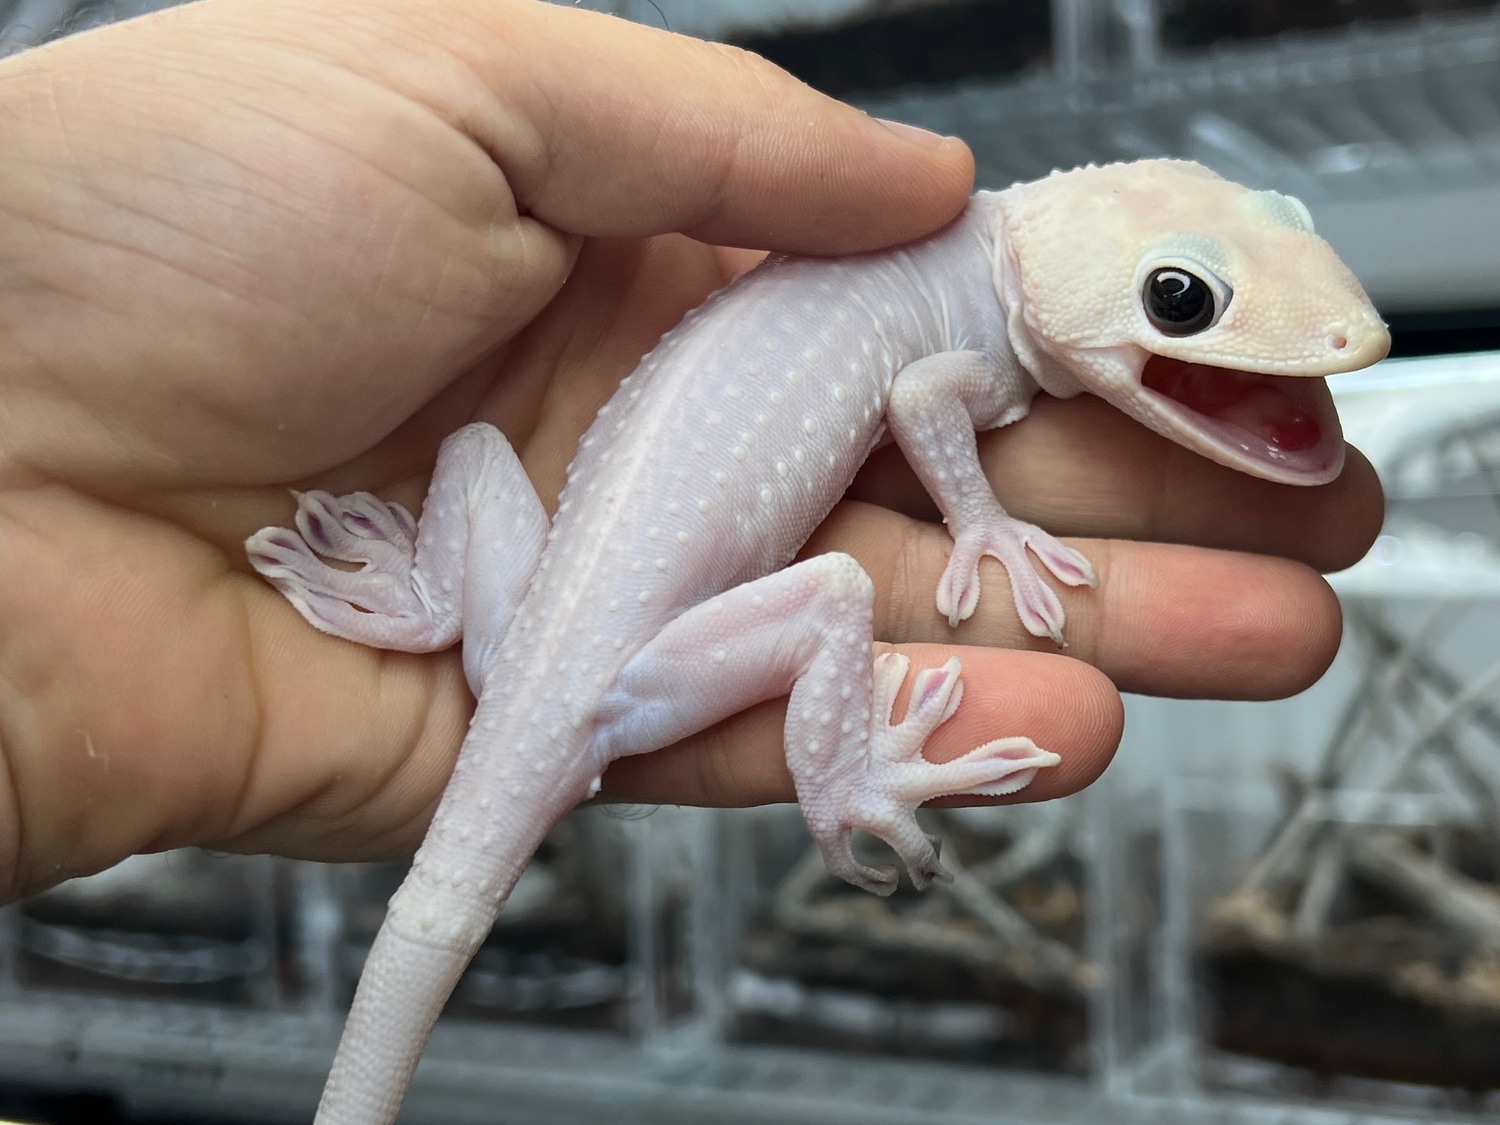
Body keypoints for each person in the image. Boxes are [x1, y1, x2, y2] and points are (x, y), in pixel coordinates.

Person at [0, 0, 1383, 904]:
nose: (1198, 323)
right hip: (615, 686)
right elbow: (925, 403)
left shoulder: (960, 258)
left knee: (477, 446)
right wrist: (979, 523)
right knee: (837, 591)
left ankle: (422, 596)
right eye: (1178, 301)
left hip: (506, 647)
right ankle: (841, 785)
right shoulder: (954, 316)